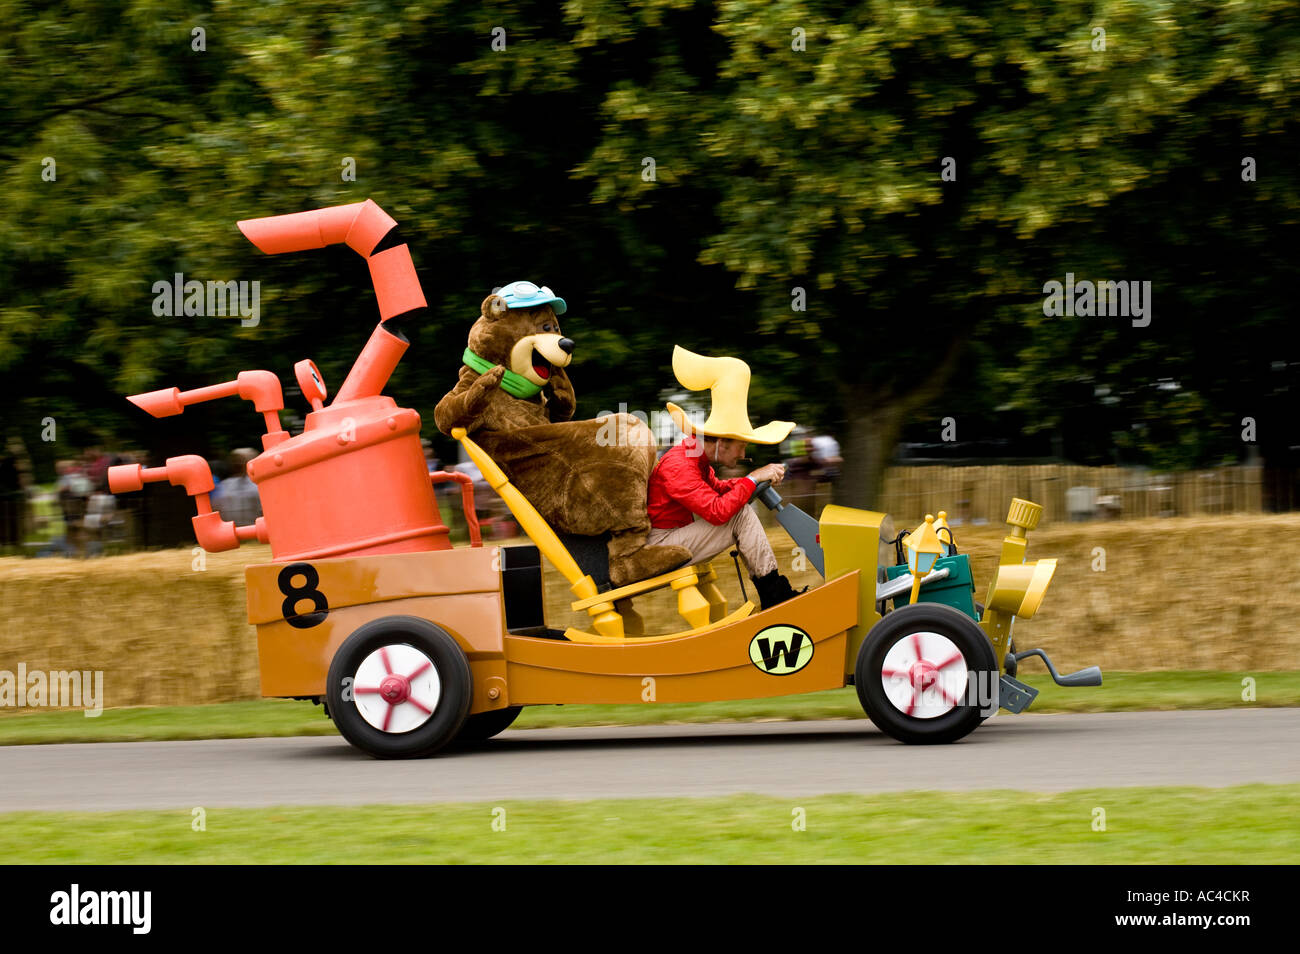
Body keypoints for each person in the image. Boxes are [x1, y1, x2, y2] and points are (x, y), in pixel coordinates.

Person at [647, 347, 806, 609]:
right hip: (661, 546)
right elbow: (717, 511)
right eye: (741, 446)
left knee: (740, 511)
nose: (743, 454)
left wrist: (756, 481)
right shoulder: (679, 465)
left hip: (672, 537)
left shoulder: (695, 457)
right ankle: (775, 596)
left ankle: (774, 594)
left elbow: (719, 490)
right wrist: (753, 478)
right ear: (721, 442)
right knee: (739, 517)